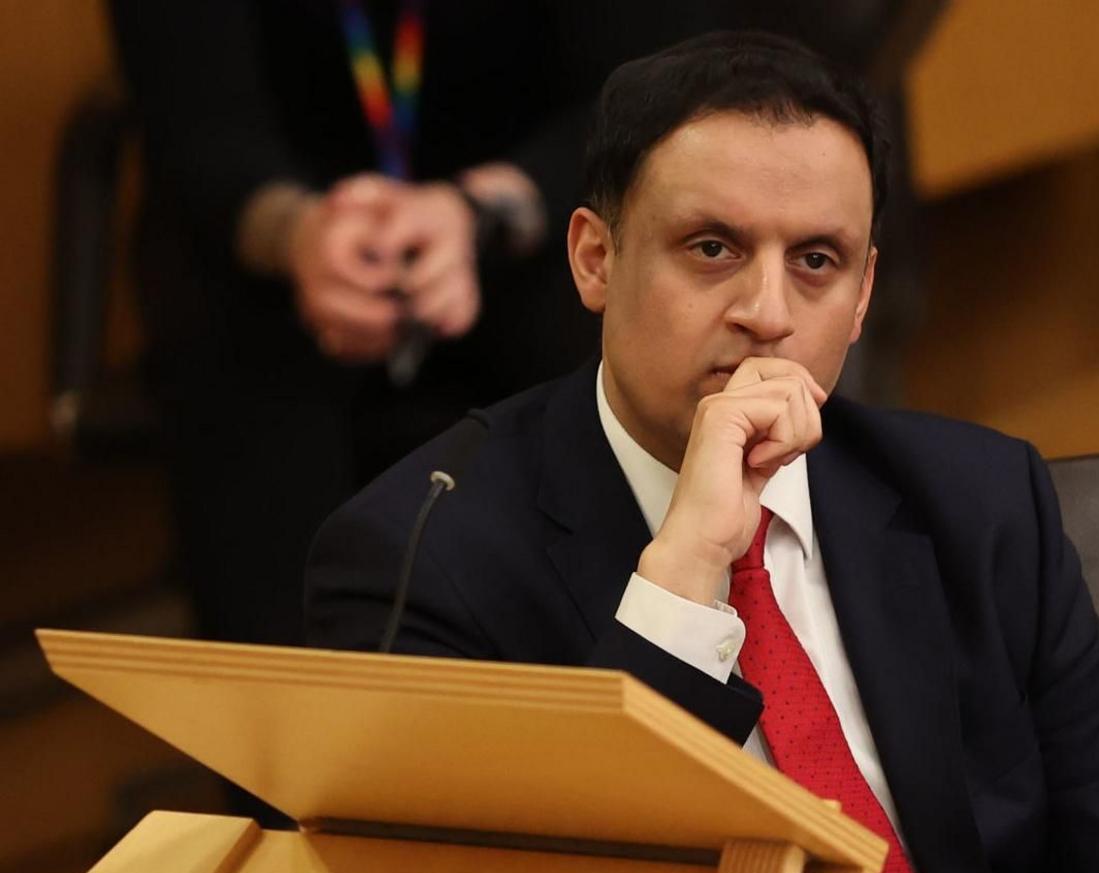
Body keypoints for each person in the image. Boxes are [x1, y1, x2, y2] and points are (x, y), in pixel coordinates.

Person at [305, 31, 1099, 873]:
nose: (767, 310)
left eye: (817, 260)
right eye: (712, 248)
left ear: (863, 298)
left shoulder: (980, 503)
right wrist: (686, 571)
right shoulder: (423, 553)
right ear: (595, 258)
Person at [108, 1, 711, 649]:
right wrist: (299, 234)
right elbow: (196, 118)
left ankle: (607, 681)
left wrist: (481, 210)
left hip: (536, 224)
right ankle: (288, 716)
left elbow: (657, 87)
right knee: (232, 363)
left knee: (614, 323)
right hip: (274, 251)